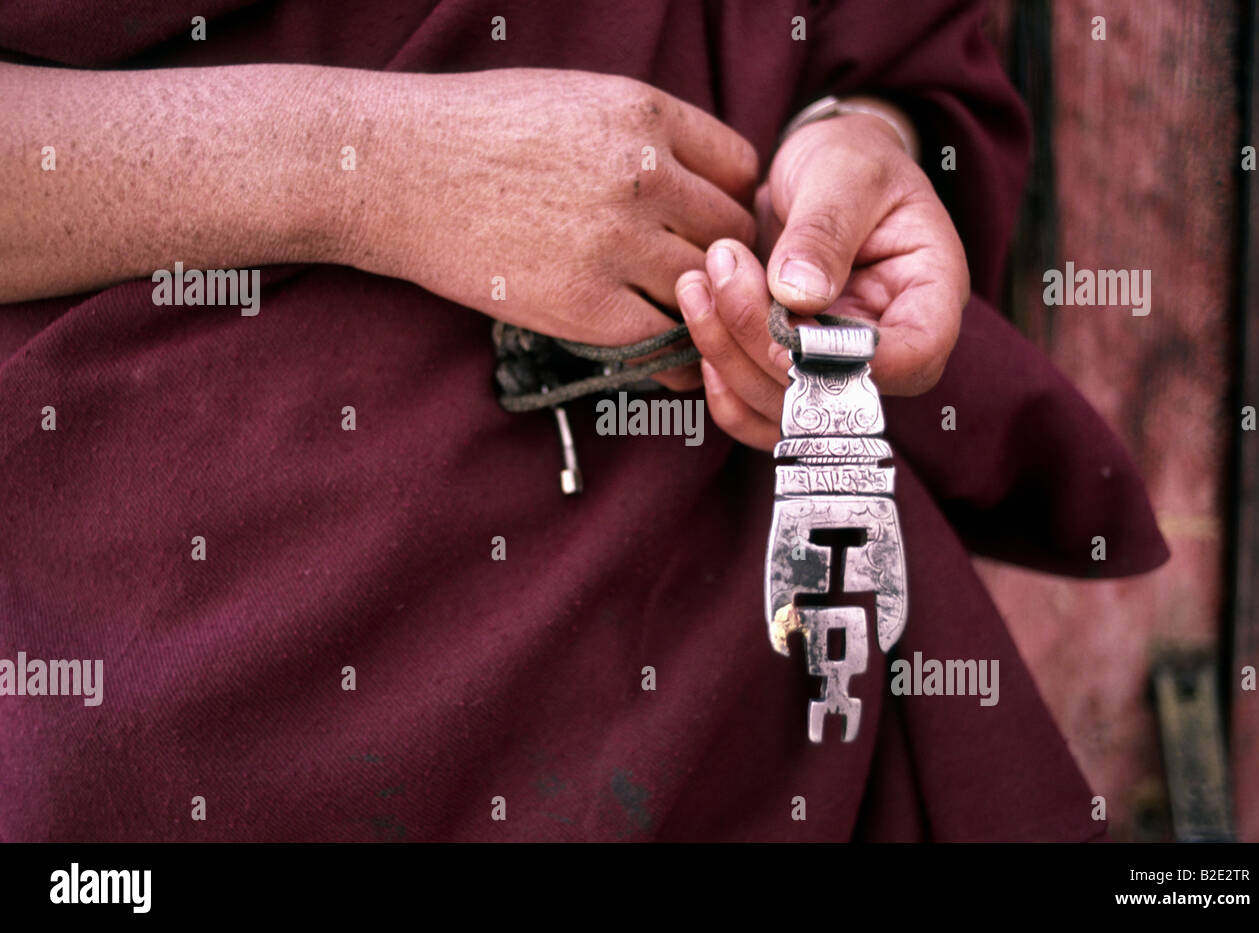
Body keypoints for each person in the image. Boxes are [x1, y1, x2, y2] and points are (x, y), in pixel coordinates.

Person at [0, 0, 1167, 841]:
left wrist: (851, 136)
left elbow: (886, 46)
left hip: (740, 665)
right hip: (180, 690)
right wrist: (375, 169)